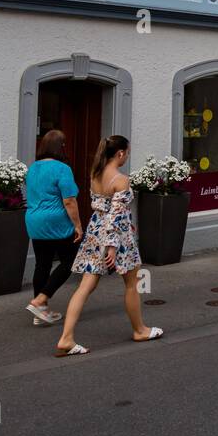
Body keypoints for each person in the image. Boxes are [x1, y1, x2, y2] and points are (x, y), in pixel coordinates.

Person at [55, 135, 163, 357]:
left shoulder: (95, 174)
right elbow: (116, 215)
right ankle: (140, 330)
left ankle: (66, 337)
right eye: (127, 153)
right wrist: (112, 246)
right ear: (120, 153)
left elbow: (101, 208)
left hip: (95, 230)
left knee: (85, 286)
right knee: (132, 284)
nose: (127, 157)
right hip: (118, 236)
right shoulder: (121, 180)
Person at [23, 130, 84, 326]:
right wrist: (78, 225)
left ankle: (40, 312)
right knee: (71, 261)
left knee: (42, 264)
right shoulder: (62, 168)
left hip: (34, 220)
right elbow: (69, 200)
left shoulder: (32, 168)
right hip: (56, 222)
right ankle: (41, 298)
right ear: (61, 147)